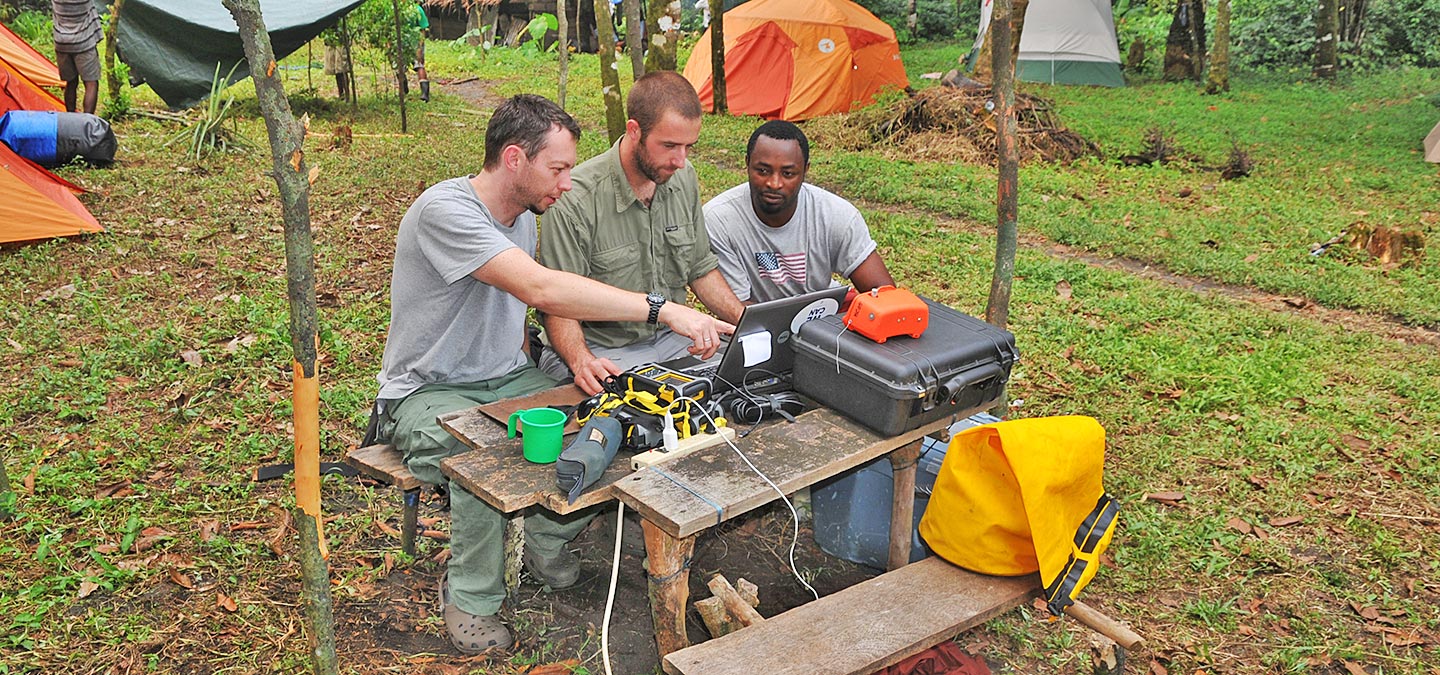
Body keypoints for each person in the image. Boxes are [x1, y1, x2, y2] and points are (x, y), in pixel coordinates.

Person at [370, 94, 731, 654]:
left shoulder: (523, 218)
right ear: (514, 158)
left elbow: (544, 300)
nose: (567, 183)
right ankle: (471, 597)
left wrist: (577, 360)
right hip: (425, 390)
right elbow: (539, 287)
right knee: (485, 458)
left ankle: (544, 535)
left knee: (614, 422)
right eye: (558, 168)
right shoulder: (446, 211)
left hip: (508, 377)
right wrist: (662, 308)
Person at [538, 71, 745, 395]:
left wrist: (746, 321)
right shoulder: (574, 199)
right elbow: (556, 304)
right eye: (669, 145)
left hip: (674, 342)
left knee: (748, 381)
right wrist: (582, 362)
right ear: (634, 131)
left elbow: (699, 267)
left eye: (689, 146)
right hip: (603, 348)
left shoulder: (682, 177)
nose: (680, 160)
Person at [703, 120, 895, 305]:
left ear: (805, 170)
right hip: (759, 327)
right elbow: (736, 308)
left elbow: (884, 294)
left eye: (788, 174)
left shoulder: (837, 215)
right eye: (762, 171)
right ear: (747, 164)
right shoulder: (719, 219)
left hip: (823, 316)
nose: (774, 183)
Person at [51, 0, 102, 115]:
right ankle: (87, 121)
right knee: (91, 83)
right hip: (84, 43)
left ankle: (71, 117)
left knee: (71, 82)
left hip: (62, 43)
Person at [406, 1, 430, 102]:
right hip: (404, 41)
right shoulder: (417, 9)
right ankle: (404, 89)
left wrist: (419, 47)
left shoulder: (417, 10)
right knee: (417, 65)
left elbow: (423, 30)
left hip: (413, 41)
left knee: (419, 65)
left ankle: (424, 93)